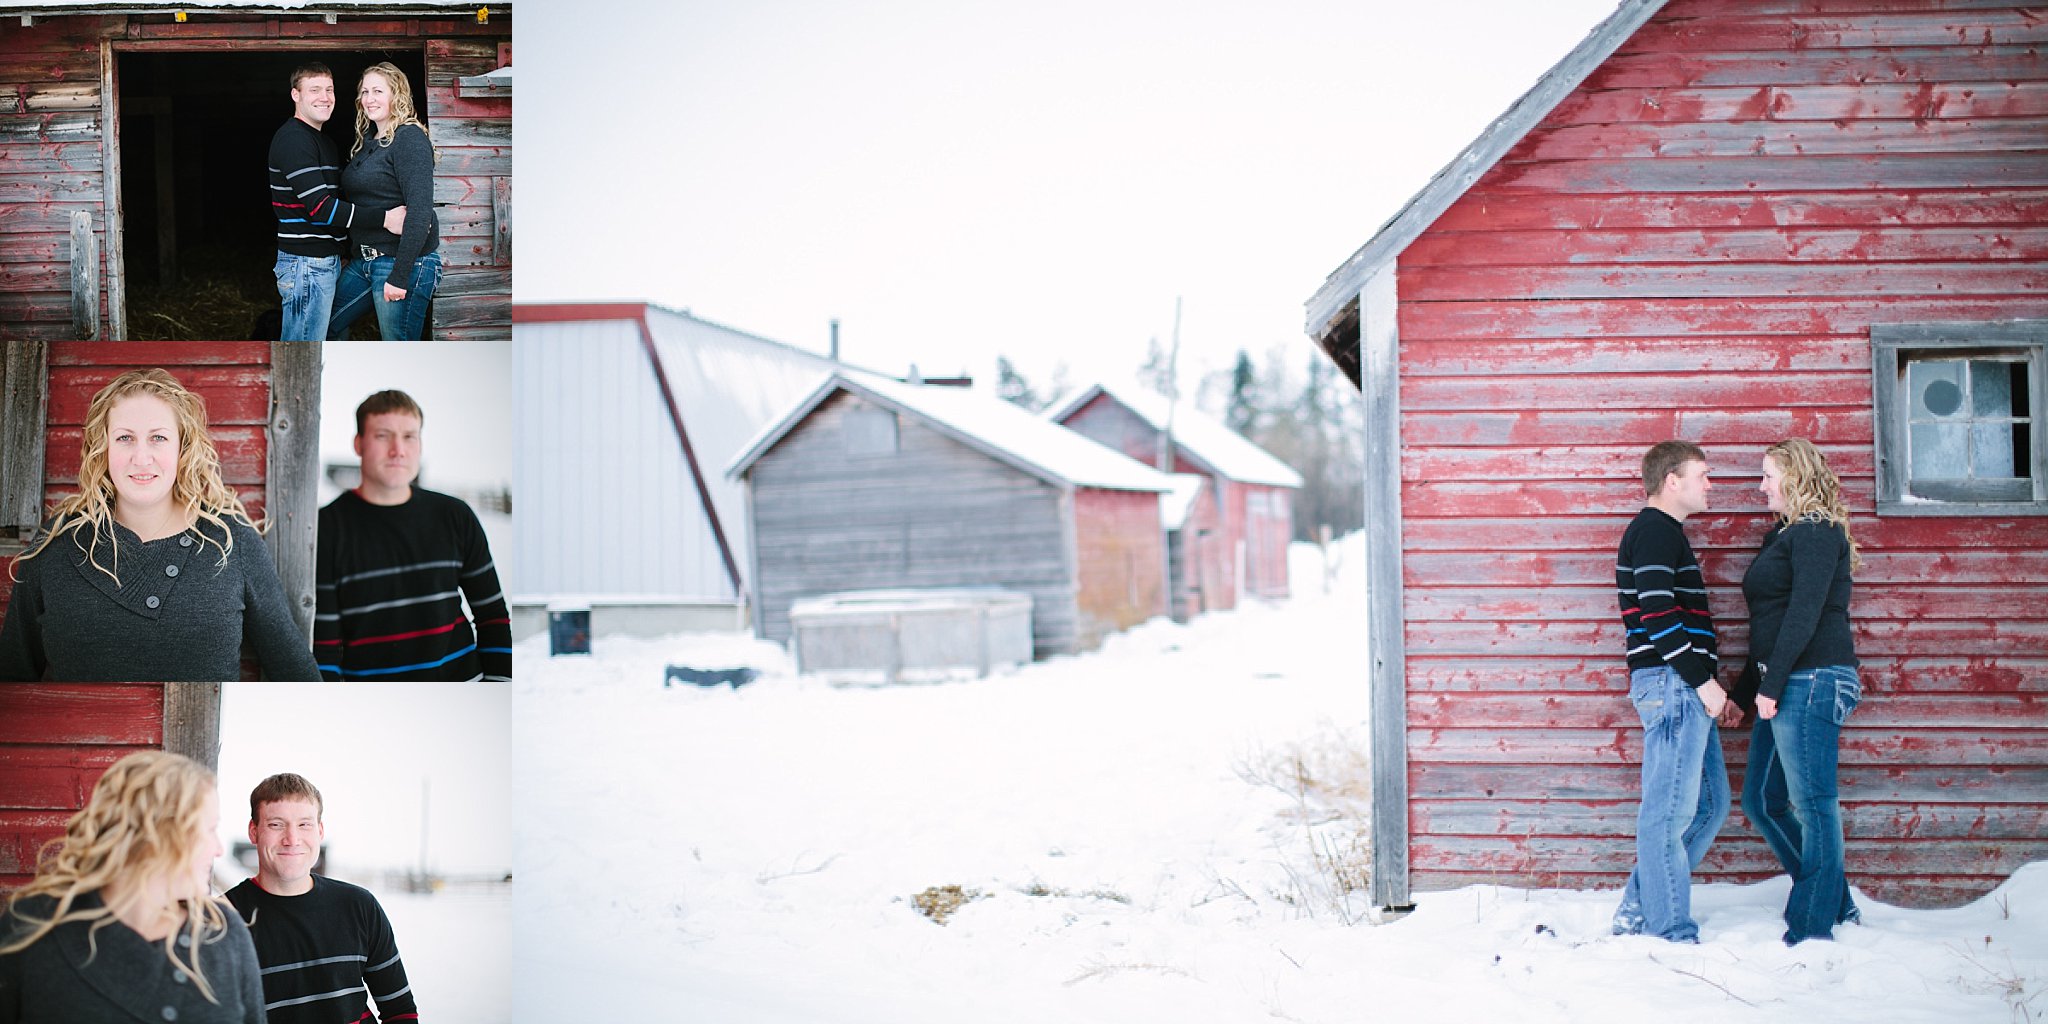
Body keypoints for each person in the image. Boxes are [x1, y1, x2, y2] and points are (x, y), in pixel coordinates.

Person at [0, 369, 323, 682]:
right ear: (104, 447)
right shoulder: (55, 544)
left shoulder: (231, 543)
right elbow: (12, 679)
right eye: (125, 438)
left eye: (158, 438)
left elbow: (297, 675)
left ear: (182, 447)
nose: (141, 458)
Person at [0, 750, 264, 1023]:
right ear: (157, 833)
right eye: (209, 829)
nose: (219, 849)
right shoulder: (32, 927)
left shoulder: (224, 934)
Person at [1732, 438, 1863, 945]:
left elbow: (1804, 613)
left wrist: (1772, 684)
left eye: (1768, 475)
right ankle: (1836, 902)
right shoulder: (1783, 536)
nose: (1761, 486)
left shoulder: (1816, 532)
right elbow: (1766, 624)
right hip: (1786, 681)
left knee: (1813, 803)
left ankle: (1811, 928)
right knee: (1762, 801)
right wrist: (1745, 692)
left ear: (1795, 476)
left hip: (1812, 680)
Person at [1610, 440, 1731, 943]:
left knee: (1710, 806)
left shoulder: (1666, 534)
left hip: (1684, 685)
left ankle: (1639, 909)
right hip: (1674, 683)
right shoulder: (1655, 532)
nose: (1710, 485)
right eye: (1703, 475)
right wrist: (1703, 683)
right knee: (1669, 813)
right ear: (1672, 481)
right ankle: (1670, 930)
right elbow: (1659, 619)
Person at [316, 389, 511, 680]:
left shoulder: (455, 516)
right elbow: (325, 650)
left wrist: (498, 687)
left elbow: (492, 616)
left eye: (409, 436)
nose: (398, 450)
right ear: (359, 444)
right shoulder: (327, 529)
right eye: (383, 436)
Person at [225, 774, 419, 1024]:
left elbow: (401, 1012)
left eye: (304, 824)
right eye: (276, 824)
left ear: (320, 831)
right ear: (254, 832)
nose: (292, 839)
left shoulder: (359, 906)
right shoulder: (221, 920)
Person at [269, 61, 405, 341]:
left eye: (329, 90)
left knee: (328, 343)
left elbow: (332, 202)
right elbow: (322, 208)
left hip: (324, 260)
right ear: (296, 95)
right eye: (314, 89)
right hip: (306, 264)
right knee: (304, 352)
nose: (325, 97)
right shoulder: (294, 140)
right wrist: (385, 219)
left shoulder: (323, 142)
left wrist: (339, 250)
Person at [328, 62, 442, 340]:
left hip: (403, 262)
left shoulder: (409, 138)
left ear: (397, 95)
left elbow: (420, 211)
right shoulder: (369, 142)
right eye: (365, 92)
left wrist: (400, 276)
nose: (369, 99)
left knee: (397, 345)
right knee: (324, 325)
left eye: (378, 91)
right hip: (365, 262)